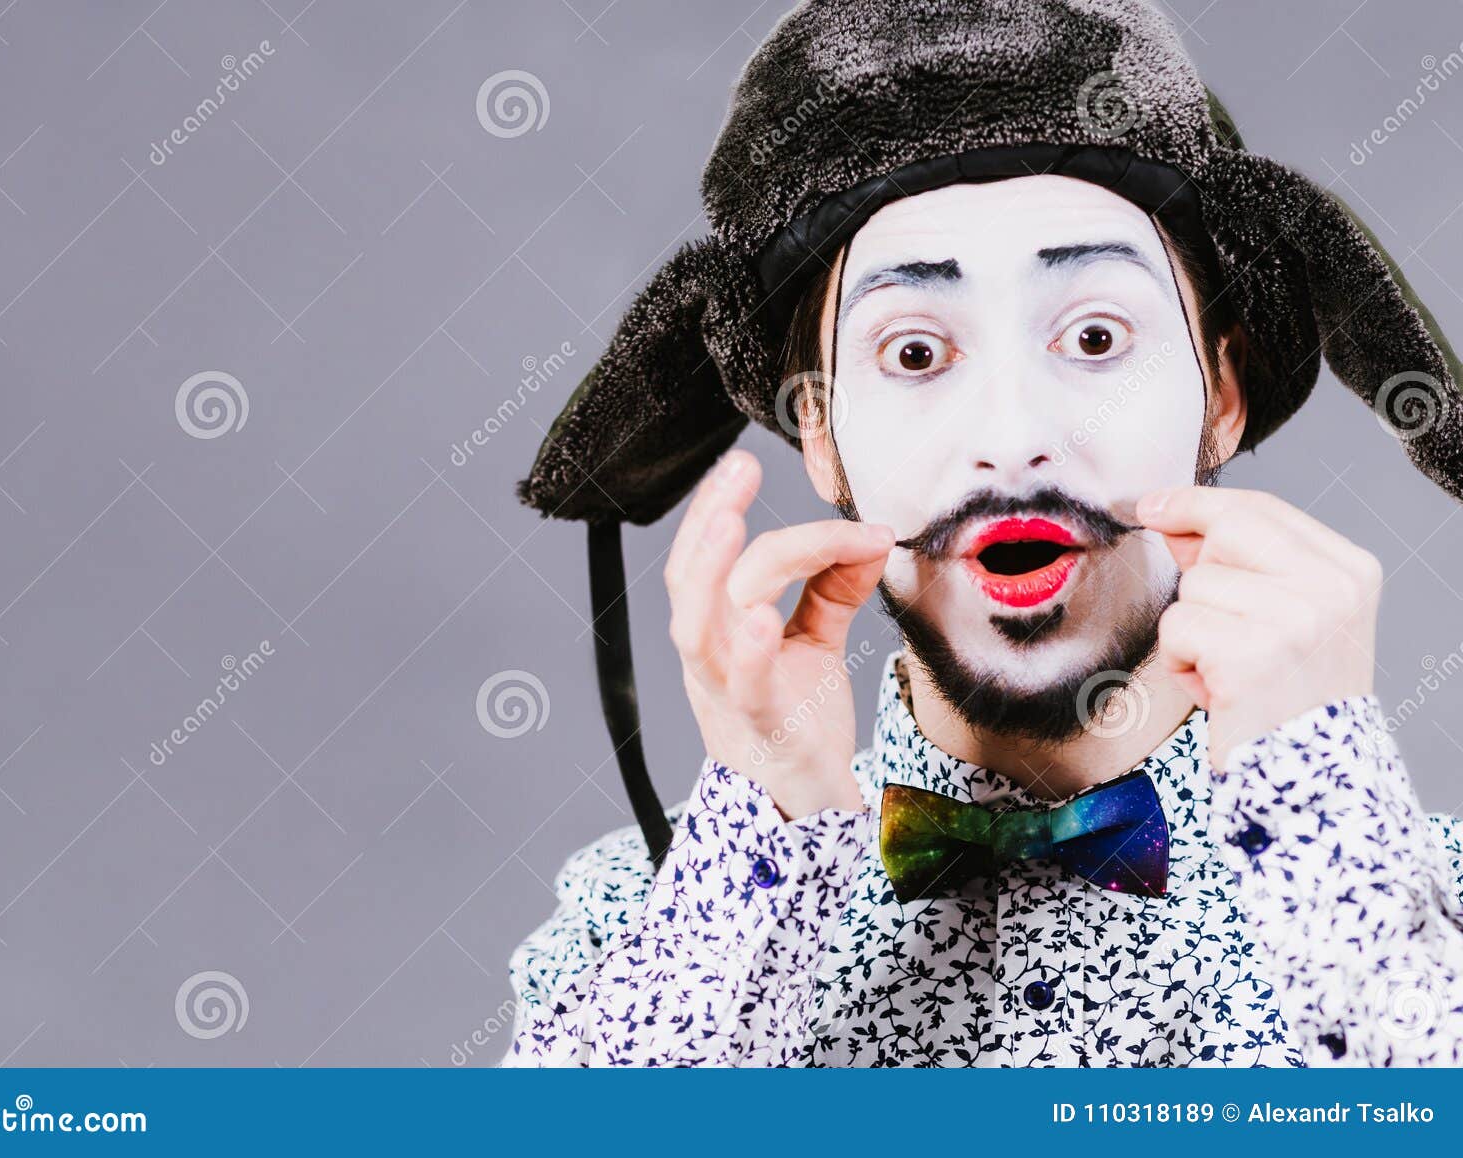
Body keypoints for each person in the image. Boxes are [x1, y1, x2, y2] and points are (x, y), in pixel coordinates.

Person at [504, 0, 1463, 1067]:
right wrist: (763, 838)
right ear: (817, 431)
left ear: (1221, 393)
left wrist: (1325, 831)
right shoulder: (641, 927)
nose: (1011, 441)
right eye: (914, 355)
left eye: (1096, 336)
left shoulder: (1436, 920)